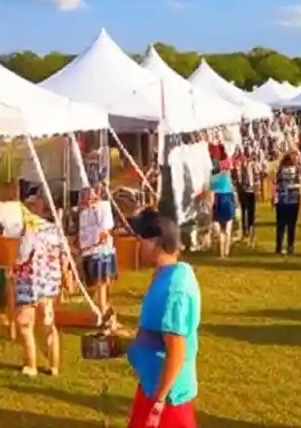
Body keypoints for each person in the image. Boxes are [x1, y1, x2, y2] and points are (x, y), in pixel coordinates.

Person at [127, 215, 201, 428]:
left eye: (141, 240)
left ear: (157, 243)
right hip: (152, 387)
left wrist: (158, 402)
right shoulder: (165, 275)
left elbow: (176, 350)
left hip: (167, 398)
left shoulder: (174, 289)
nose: (138, 245)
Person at [13, 204, 65, 377]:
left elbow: (23, 255)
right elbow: (64, 258)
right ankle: (54, 366)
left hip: (30, 282)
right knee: (48, 323)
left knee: (25, 324)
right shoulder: (55, 230)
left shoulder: (31, 228)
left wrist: (12, 265)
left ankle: (31, 366)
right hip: (50, 283)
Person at [77, 187, 117, 318]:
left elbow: (104, 232)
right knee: (97, 284)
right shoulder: (83, 214)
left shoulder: (103, 208)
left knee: (103, 283)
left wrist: (91, 243)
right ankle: (102, 309)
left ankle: (104, 310)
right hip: (91, 252)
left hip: (102, 251)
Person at [273, 151, 301, 255]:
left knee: (282, 225)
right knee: (290, 225)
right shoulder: (296, 170)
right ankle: (289, 246)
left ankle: (280, 246)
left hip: (284, 199)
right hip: (290, 199)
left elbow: (276, 184)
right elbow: (299, 184)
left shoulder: (281, 169)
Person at [210, 160, 238, 259]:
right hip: (228, 202)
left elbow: (211, 195)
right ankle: (226, 252)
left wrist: (210, 208)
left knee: (221, 231)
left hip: (219, 202)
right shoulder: (228, 178)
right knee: (227, 230)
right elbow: (234, 193)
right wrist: (236, 206)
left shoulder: (213, 179)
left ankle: (222, 253)